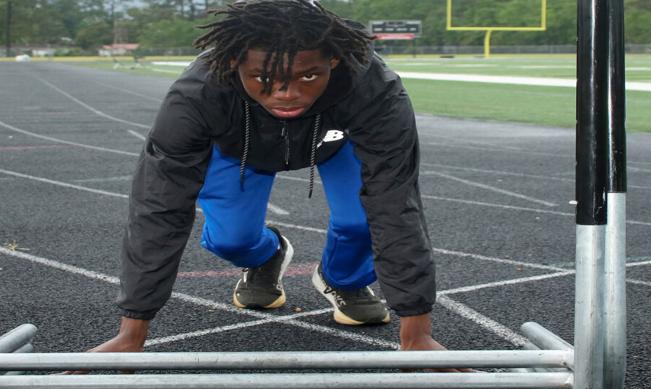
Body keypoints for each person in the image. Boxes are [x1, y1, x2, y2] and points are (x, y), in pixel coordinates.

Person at [88, 0, 451, 360]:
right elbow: (159, 208)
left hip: (336, 139)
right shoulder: (198, 95)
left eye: (308, 75)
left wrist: (416, 334)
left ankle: (344, 280)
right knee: (231, 239)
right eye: (264, 79)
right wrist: (132, 330)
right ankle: (266, 256)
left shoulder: (373, 87)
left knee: (363, 220)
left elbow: (395, 202)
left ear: (334, 61)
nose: (287, 94)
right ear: (235, 64)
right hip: (238, 145)